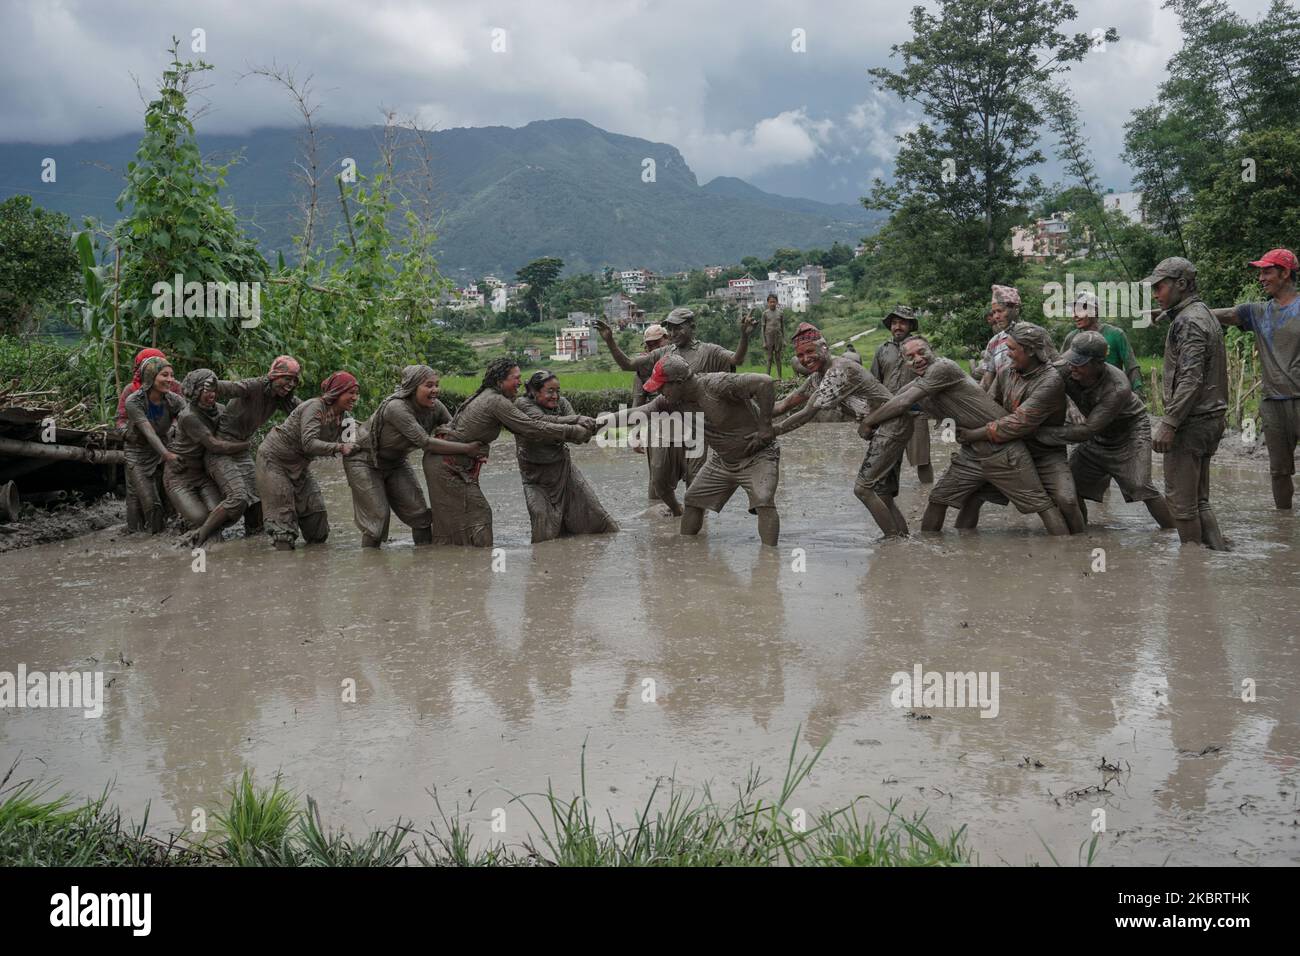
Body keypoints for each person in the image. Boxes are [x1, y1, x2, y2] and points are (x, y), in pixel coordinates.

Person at [858, 336, 1070, 535]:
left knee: (1040, 505)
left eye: (922, 352)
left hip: (1003, 449)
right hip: (971, 453)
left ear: (933, 352)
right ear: (905, 364)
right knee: (938, 499)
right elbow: (895, 400)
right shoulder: (920, 382)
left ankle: (1068, 551)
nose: (919, 359)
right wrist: (862, 409)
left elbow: (903, 402)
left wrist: (869, 422)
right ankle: (925, 557)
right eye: (911, 357)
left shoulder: (943, 368)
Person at [602, 353, 780, 545]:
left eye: (663, 386)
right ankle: (687, 551)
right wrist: (597, 424)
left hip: (757, 455)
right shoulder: (670, 402)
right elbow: (638, 413)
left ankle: (770, 561)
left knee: (763, 500)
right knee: (693, 499)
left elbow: (765, 382)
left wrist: (765, 427)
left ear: (679, 382)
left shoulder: (717, 385)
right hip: (723, 460)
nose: (660, 392)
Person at [425, 358, 592, 547]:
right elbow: (531, 428)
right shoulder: (496, 402)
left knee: (458, 520)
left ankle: (445, 560)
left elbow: (530, 425)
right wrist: (574, 429)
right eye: (516, 378)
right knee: (480, 514)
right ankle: (478, 567)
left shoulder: (492, 397)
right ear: (500, 381)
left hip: (449, 464)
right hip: (446, 466)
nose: (520, 383)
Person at [595, 306, 754, 501]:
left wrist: (744, 337)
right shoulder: (663, 353)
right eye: (669, 329)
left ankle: (693, 525)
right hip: (665, 425)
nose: (673, 333)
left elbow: (736, 359)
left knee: (695, 483)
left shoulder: (709, 351)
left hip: (697, 426)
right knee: (658, 480)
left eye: (678, 328)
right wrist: (610, 340)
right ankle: (663, 520)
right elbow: (627, 365)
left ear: (692, 326)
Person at [774, 323, 911, 537]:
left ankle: (893, 542)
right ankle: (904, 540)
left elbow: (807, 413)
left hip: (892, 424)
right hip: (889, 426)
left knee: (863, 489)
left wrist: (772, 432)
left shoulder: (839, 370)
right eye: (800, 355)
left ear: (824, 348)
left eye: (810, 351)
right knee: (882, 494)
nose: (805, 358)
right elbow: (784, 405)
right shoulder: (817, 377)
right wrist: (751, 413)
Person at [952, 322, 1085, 534]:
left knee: (1067, 500)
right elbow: (988, 404)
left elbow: (1019, 423)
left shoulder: (1050, 381)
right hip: (1009, 449)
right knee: (974, 496)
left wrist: (974, 434)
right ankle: (960, 548)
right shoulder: (1006, 372)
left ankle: (1079, 547)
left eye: (1012, 349)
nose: (1008, 354)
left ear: (1031, 351)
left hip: (1044, 452)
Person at [1034, 331, 1175, 529]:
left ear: (1098, 363)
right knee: (1069, 486)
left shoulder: (1117, 387)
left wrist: (1042, 434)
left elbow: (1087, 430)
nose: (1072, 366)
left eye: (1080, 363)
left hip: (1129, 433)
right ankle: (1080, 534)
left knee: (1140, 486)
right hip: (1098, 433)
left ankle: (1174, 533)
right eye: (1071, 360)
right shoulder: (1067, 367)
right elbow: (1045, 380)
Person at [343, 365, 486, 547]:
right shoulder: (396, 407)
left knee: (420, 516)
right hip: (363, 461)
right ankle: (371, 570)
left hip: (397, 462)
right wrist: (467, 449)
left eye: (437, 385)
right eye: (428, 385)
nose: (435, 390)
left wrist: (478, 450)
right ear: (412, 388)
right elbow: (424, 442)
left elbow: (455, 432)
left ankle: (425, 563)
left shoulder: (436, 407)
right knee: (377, 520)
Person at [1147, 257, 1230, 550]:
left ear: (1181, 284)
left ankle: (1193, 567)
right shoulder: (1202, 313)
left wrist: (1169, 423)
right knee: (1199, 499)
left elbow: (1191, 379)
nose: (1156, 294)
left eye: (1160, 287)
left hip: (1192, 421)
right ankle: (1217, 551)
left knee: (1181, 504)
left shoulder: (1189, 321)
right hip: (1211, 417)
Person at [1208, 248, 1300, 510]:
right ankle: (1283, 524)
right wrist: (1176, 312)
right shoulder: (1257, 312)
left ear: (1285, 273)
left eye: (1267, 271)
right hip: (1273, 403)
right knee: (1279, 471)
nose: (1261, 278)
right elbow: (1221, 314)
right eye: (1260, 272)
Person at [255, 371, 360, 551]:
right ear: (337, 392)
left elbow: (354, 444)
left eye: (357, 393)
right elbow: (309, 444)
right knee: (283, 533)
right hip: (274, 461)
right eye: (350, 393)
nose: (355, 398)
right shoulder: (315, 407)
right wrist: (339, 447)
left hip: (301, 466)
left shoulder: (347, 419)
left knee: (317, 527)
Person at [515, 370, 618, 543]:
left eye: (558, 391)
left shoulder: (562, 404)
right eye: (550, 391)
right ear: (534, 391)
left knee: (596, 515)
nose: (555, 396)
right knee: (542, 524)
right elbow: (540, 423)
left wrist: (581, 429)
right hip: (536, 477)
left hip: (564, 470)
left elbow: (581, 434)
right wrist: (576, 421)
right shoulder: (522, 404)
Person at [207, 355, 302, 536]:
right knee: (239, 498)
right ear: (274, 375)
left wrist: (331, 412)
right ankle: (202, 535)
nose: (290, 384)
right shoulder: (254, 386)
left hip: (242, 450)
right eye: (286, 379)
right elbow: (232, 388)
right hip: (221, 448)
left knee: (258, 502)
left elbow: (305, 410)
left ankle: (252, 543)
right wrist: (210, 383)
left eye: (294, 381)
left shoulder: (283, 398)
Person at [164, 369, 252, 545]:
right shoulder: (188, 415)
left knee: (222, 515)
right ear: (194, 392)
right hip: (180, 477)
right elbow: (214, 445)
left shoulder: (220, 410)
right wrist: (247, 445)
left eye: (213, 389)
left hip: (203, 475)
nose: (211, 393)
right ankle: (191, 538)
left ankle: (196, 535)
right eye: (205, 390)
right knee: (202, 520)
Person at [115, 347, 183, 530]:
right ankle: (136, 531)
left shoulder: (173, 389)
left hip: (166, 443)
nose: (169, 379)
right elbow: (121, 419)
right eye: (162, 373)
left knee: (168, 492)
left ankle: (164, 530)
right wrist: (126, 433)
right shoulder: (131, 393)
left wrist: (175, 428)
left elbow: (186, 414)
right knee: (138, 494)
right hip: (138, 448)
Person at [869, 304, 934, 484]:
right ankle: (887, 496)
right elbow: (874, 382)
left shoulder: (921, 348)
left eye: (902, 323)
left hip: (916, 411)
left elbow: (933, 375)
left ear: (910, 326)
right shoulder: (882, 350)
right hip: (889, 413)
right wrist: (873, 415)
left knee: (922, 459)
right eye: (894, 323)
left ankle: (927, 494)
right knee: (887, 460)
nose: (898, 327)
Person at [632, 323, 682, 508]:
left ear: (667, 339)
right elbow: (638, 401)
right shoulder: (644, 368)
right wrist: (636, 434)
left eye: (657, 342)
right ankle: (656, 512)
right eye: (650, 344)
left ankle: (694, 513)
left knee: (693, 471)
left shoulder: (681, 361)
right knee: (657, 472)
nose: (654, 347)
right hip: (656, 422)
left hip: (686, 421)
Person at [1062, 291, 1143, 393]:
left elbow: (1131, 367)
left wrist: (1138, 393)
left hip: (1113, 393)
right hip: (1082, 396)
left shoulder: (1115, 334)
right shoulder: (1071, 338)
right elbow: (1063, 368)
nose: (1075, 316)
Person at [976, 285, 1021, 390]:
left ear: (1016, 309)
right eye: (994, 312)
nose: (996, 316)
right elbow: (987, 381)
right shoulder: (994, 342)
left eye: (1000, 311)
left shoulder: (1034, 334)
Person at [759, 293, 786, 378]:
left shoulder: (780, 313)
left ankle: (779, 378)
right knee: (770, 358)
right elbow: (762, 328)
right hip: (768, 338)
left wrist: (784, 340)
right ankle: (767, 377)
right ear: (768, 303)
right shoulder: (765, 314)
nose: (772, 303)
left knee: (778, 358)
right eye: (770, 302)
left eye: (774, 302)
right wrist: (764, 342)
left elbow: (782, 327)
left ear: (777, 302)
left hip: (778, 337)